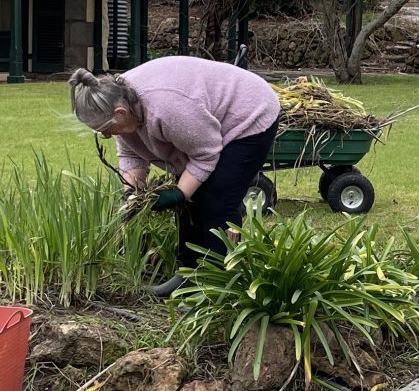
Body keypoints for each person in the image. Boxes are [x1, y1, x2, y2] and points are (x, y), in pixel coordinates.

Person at [68, 59, 281, 294]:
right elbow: (131, 154)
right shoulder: (118, 103)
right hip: (199, 126)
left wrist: (179, 193)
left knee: (216, 199)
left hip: (247, 114)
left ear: (119, 112)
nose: (108, 135)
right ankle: (187, 275)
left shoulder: (166, 108)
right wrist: (132, 195)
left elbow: (205, 155)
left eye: (107, 130)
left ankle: (215, 286)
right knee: (190, 206)